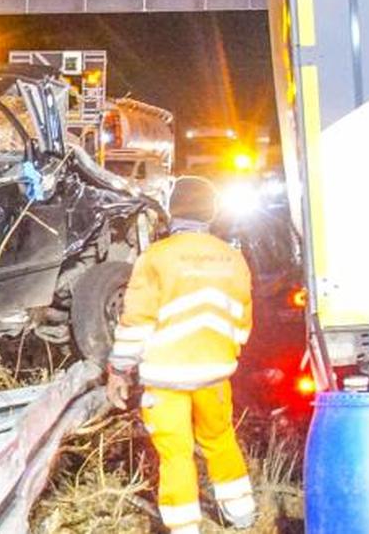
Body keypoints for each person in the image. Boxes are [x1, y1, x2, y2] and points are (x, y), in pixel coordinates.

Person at [106, 176, 256, 533]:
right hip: (215, 372)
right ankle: (242, 514)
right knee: (220, 440)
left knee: (175, 453)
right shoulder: (232, 258)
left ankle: (186, 526)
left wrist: (119, 370)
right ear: (211, 212)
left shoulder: (156, 257)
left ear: (172, 212)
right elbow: (242, 319)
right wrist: (226, 350)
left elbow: (137, 321)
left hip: (166, 376)